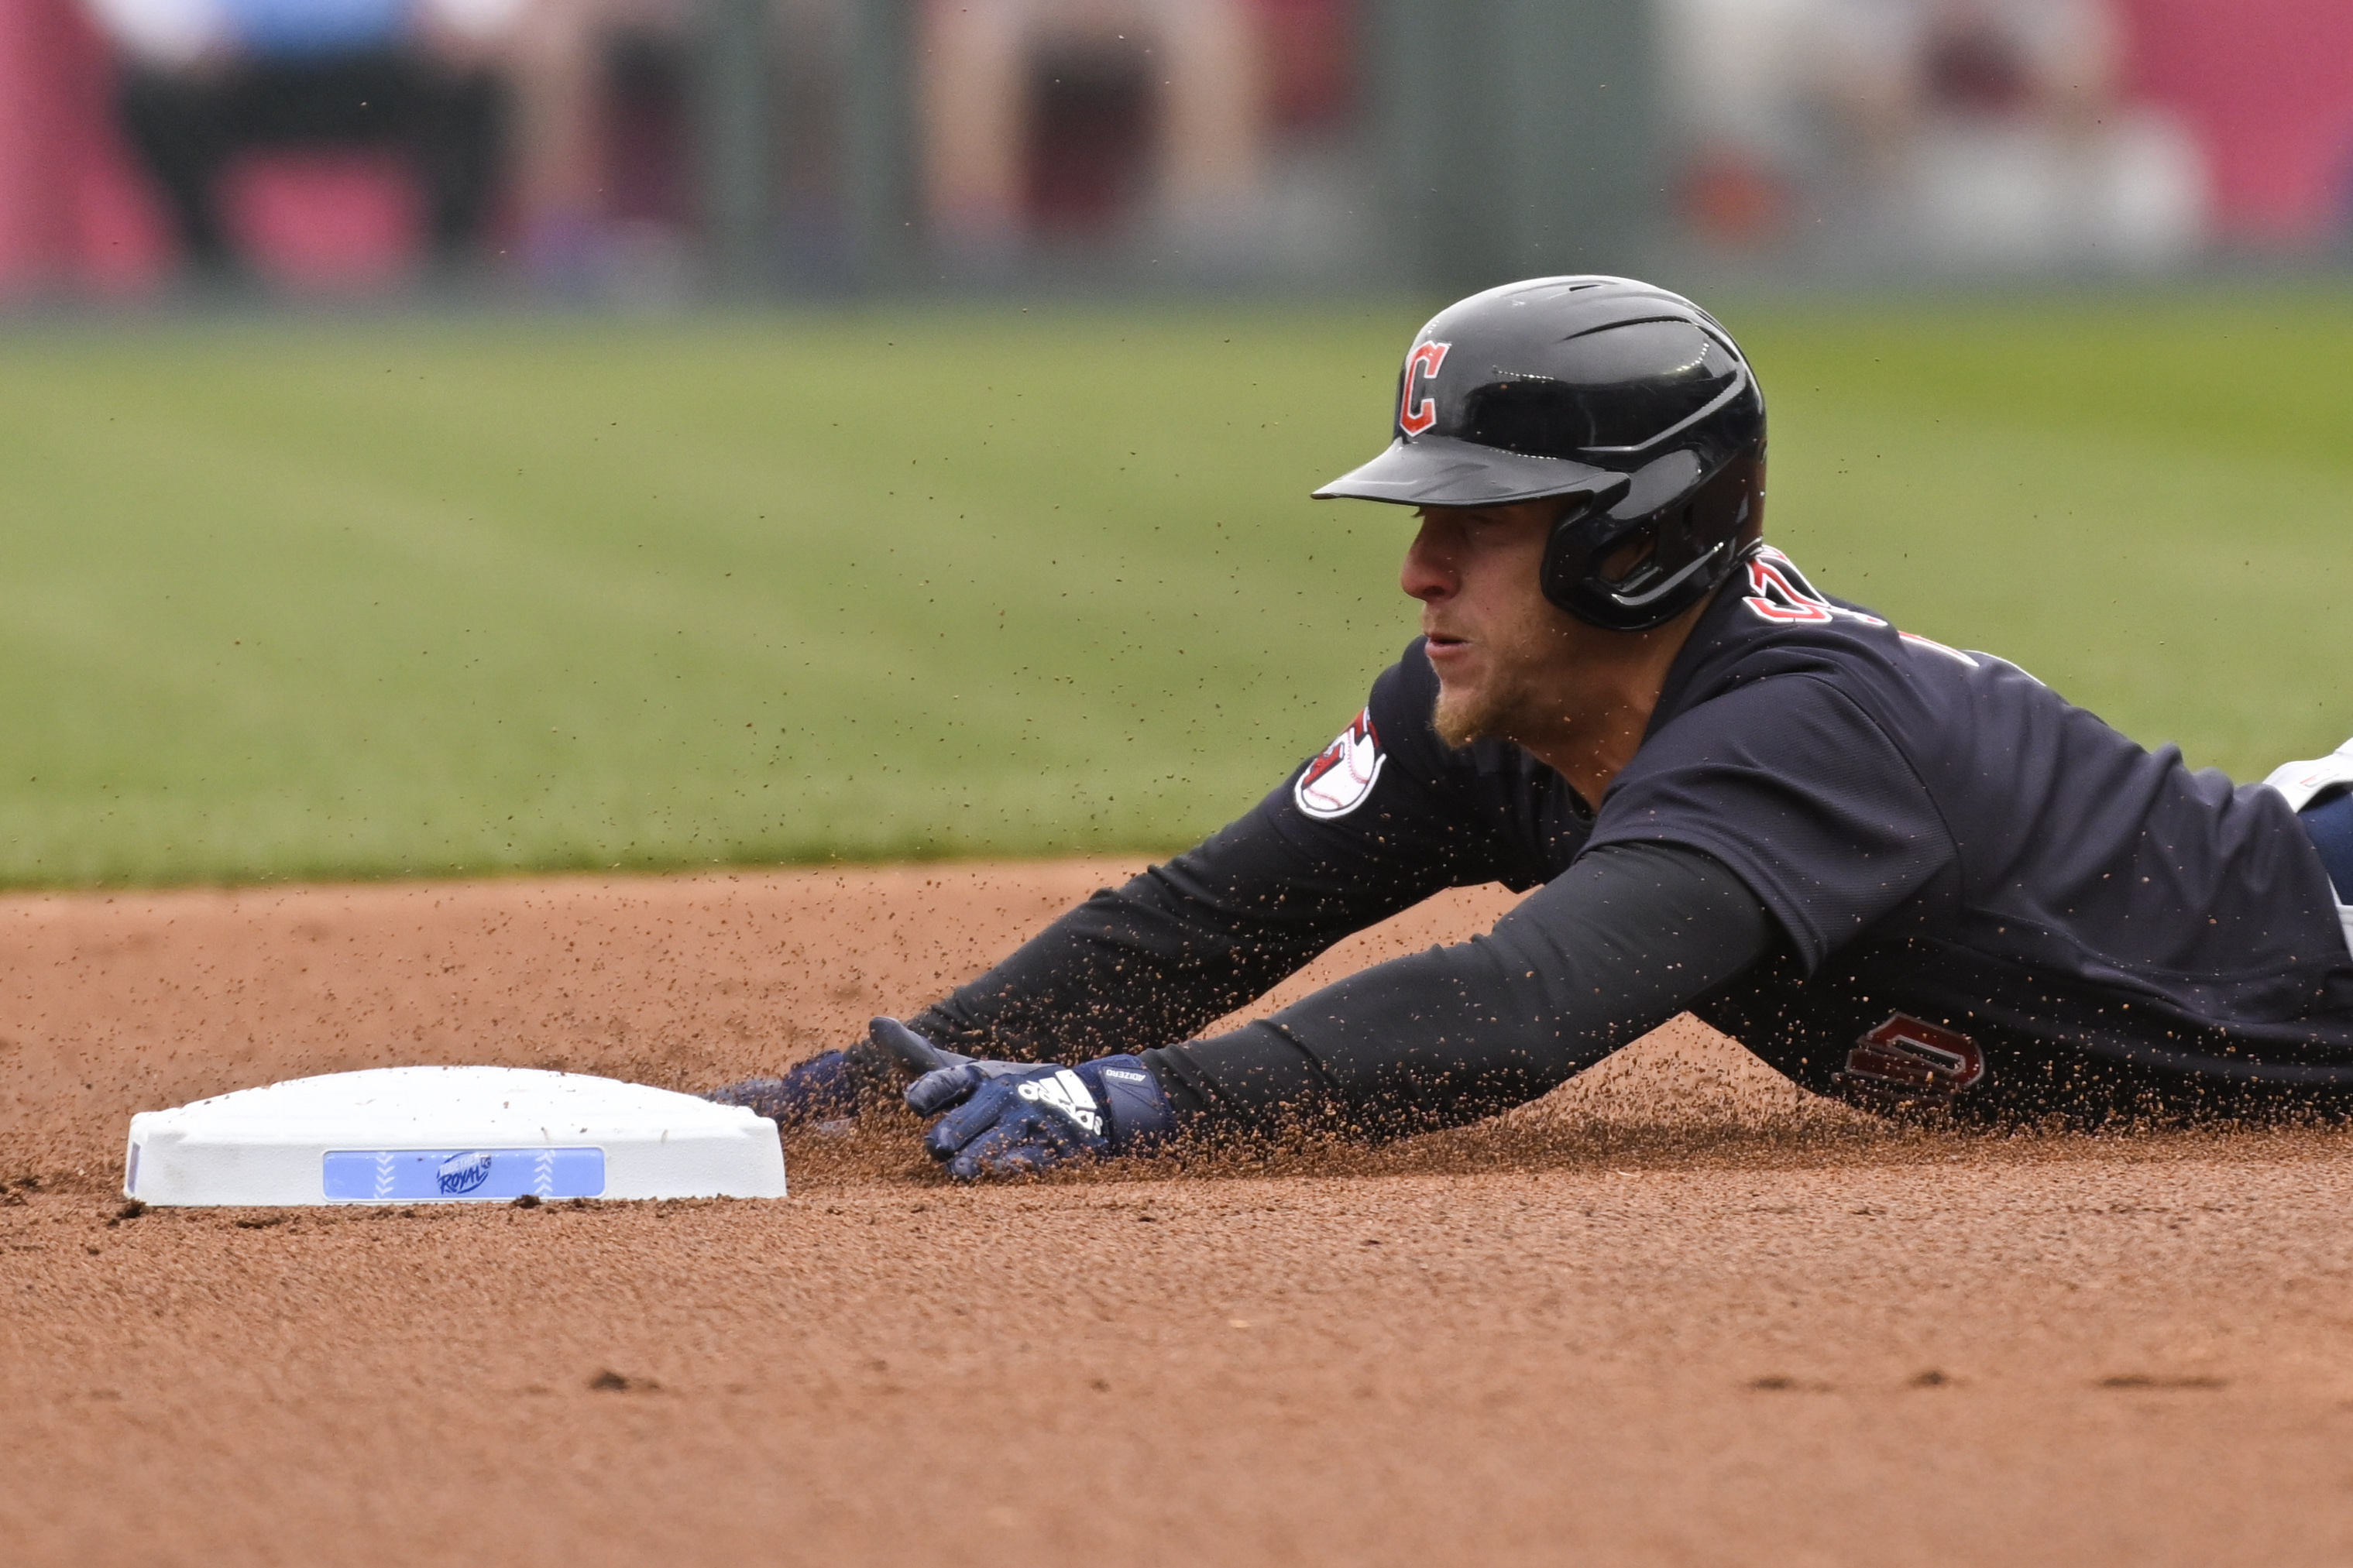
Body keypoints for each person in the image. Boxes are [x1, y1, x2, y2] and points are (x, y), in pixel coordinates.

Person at [710, 275, 2353, 1179]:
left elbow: (1517, 1005)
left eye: (1478, 522)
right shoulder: (1484, 712)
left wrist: (1133, 1103)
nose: (1418, 566)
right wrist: (854, 1086)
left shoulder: (1792, 735)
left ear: (1632, 539)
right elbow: (1203, 922)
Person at [89, 0, 518, 283]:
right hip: (240, 73)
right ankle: (212, 271)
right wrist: (184, 42)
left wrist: (460, 25)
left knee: (476, 87)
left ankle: (449, 269)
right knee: (153, 97)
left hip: (386, 67)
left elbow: (469, 27)